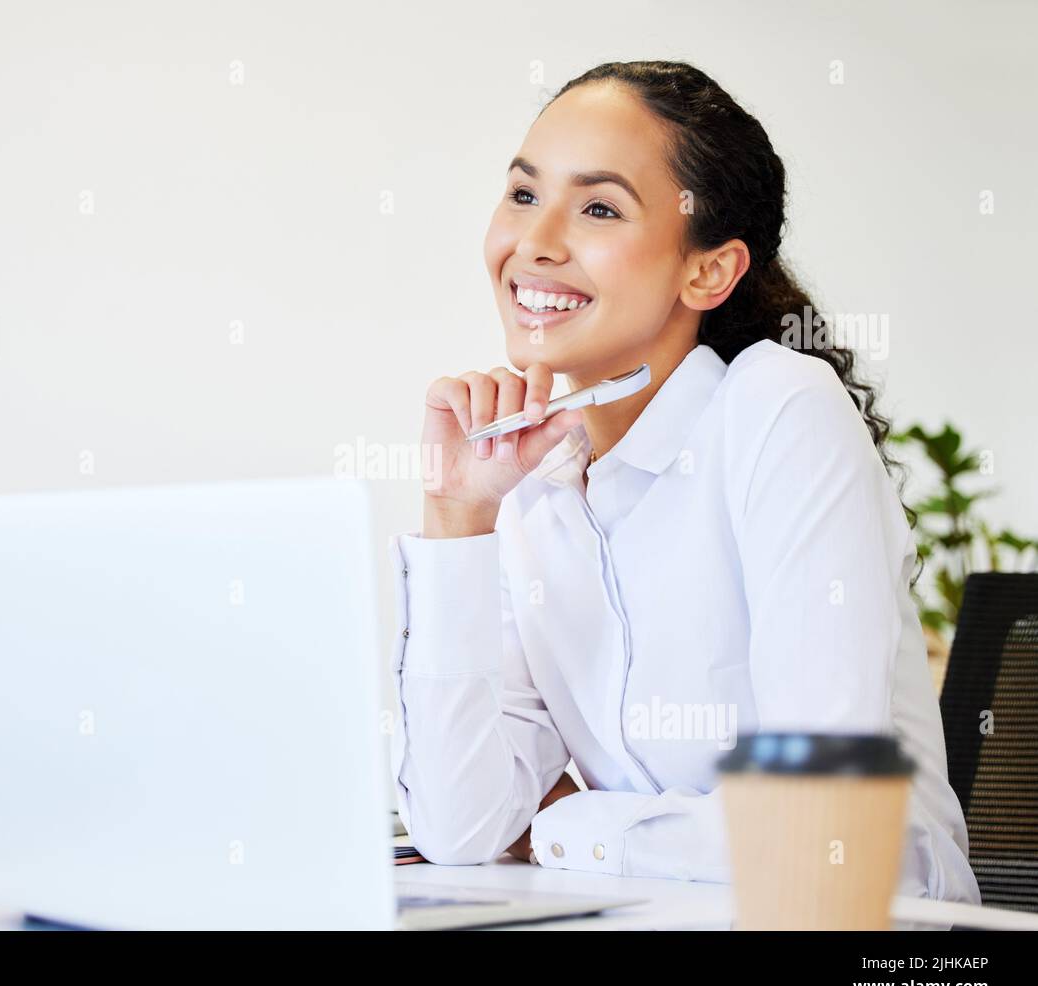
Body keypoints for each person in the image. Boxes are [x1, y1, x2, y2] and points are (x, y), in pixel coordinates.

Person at [389, 60, 979, 903]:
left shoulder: (779, 410)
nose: (537, 241)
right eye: (523, 195)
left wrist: (563, 825)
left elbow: (823, 826)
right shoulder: (528, 486)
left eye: (598, 207)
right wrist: (458, 515)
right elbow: (458, 825)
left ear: (707, 271)